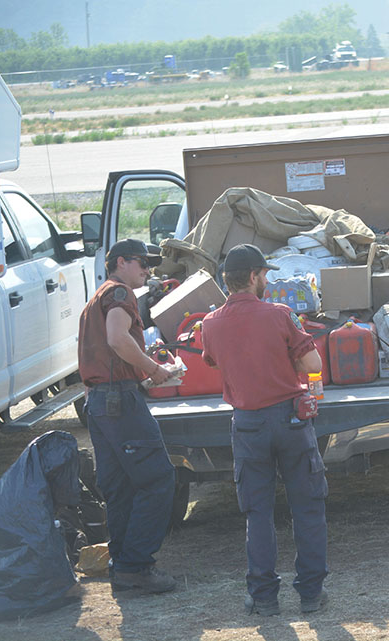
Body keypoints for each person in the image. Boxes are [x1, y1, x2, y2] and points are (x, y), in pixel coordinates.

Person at [201, 244, 328, 617]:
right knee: (307, 507)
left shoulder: (210, 323)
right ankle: (309, 594)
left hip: (247, 424)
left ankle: (263, 597)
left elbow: (212, 360)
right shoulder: (281, 315)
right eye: (265, 275)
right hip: (289, 420)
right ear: (255, 276)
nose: (267, 281)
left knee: (257, 513)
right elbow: (313, 362)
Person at [77, 238, 177, 594]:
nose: (148, 270)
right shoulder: (120, 295)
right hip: (119, 400)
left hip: (101, 403)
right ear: (121, 262)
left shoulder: (98, 297)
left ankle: (123, 565)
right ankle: (135, 567)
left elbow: (105, 348)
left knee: (118, 487)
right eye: (143, 263)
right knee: (159, 479)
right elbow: (118, 339)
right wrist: (151, 368)